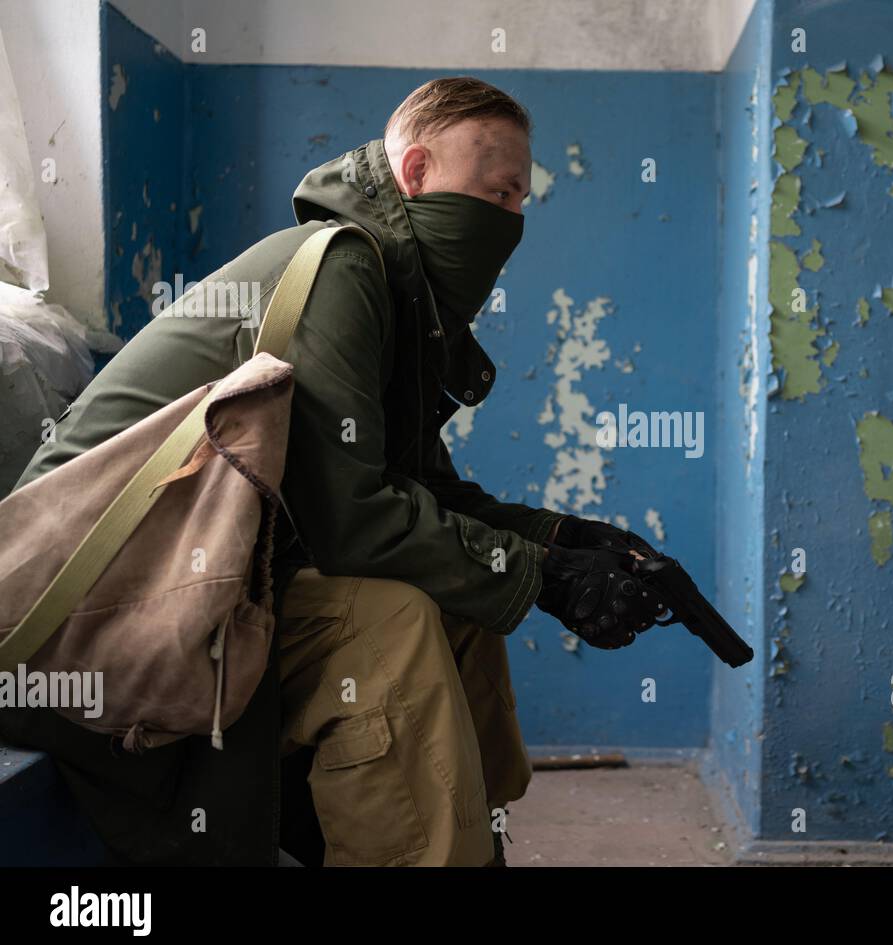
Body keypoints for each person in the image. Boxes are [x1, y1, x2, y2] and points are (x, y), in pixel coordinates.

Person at [0, 76, 663, 867]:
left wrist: (563, 540)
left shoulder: (397, 299)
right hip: (81, 605)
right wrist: (542, 579)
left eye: (521, 200)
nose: (510, 220)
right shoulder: (340, 266)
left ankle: (474, 845)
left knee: (461, 610)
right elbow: (355, 520)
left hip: (194, 580)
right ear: (415, 172)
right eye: (497, 192)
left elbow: (424, 492)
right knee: (388, 625)